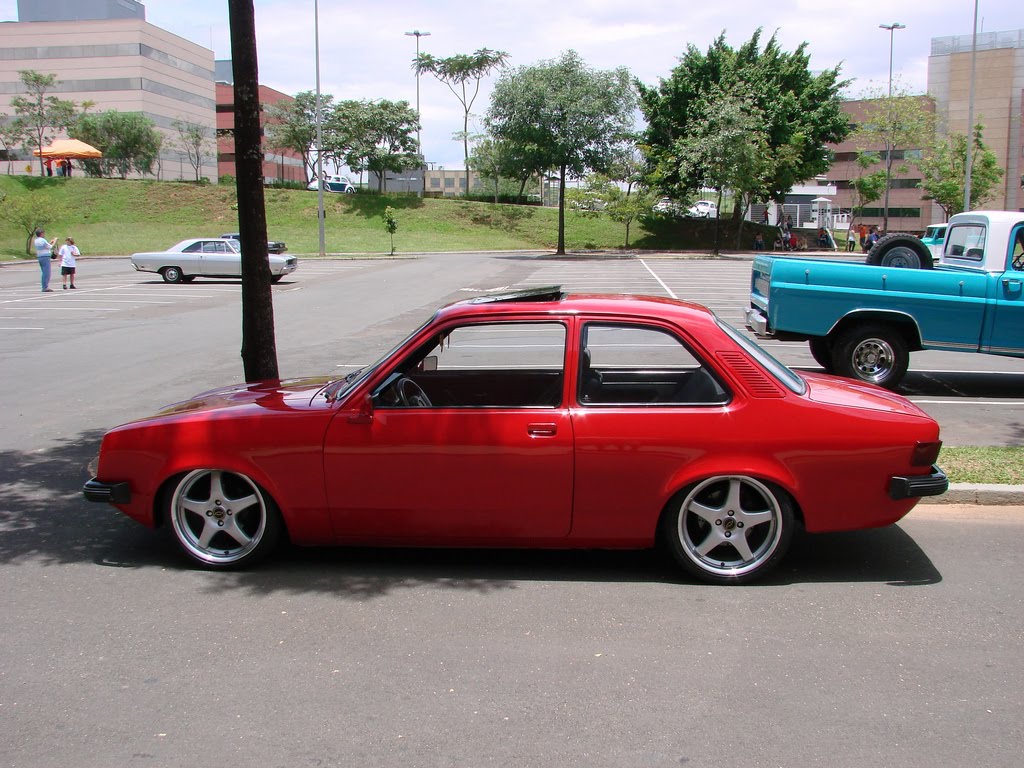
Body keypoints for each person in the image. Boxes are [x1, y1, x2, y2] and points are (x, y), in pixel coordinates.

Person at [33, 228, 58, 292]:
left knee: (44, 272)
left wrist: (51, 242)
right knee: (46, 272)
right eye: (43, 233)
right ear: (41, 233)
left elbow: (46, 246)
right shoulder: (42, 240)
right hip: (45, 256)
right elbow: (50, 247)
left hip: (40, 256)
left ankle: (44, 286)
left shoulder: (36, 240)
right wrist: (55, 241)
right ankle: (45, 287)